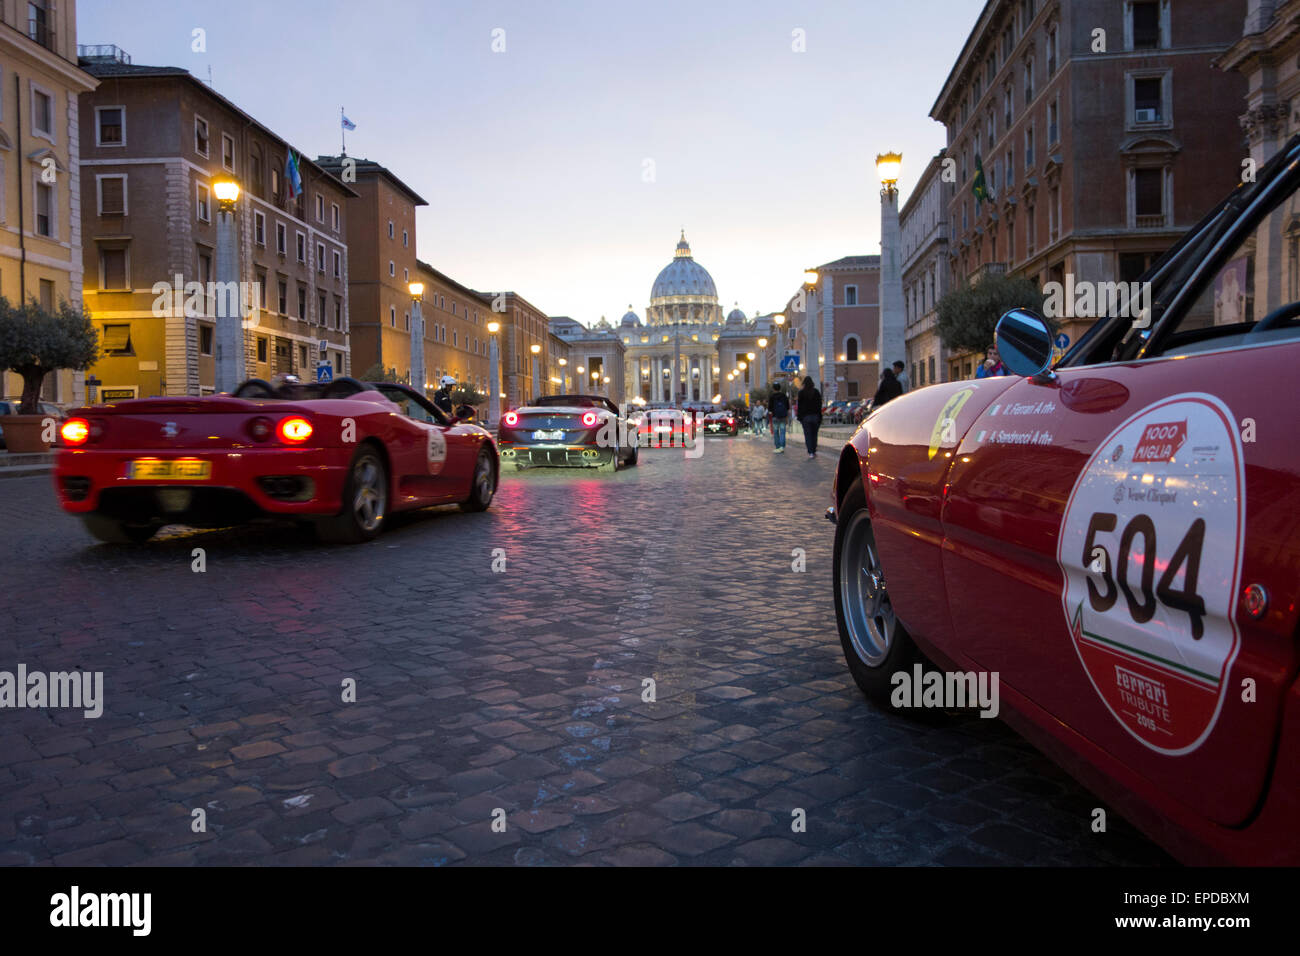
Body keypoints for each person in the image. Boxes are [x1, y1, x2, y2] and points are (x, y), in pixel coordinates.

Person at [796, 377, 823, 458]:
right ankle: (814, 450)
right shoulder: (816, 392)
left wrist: (800, 417)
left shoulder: (801, 393)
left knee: (808, 435)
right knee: (814, 435)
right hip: (815, 416)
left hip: (805, 417)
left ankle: (810, 451)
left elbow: (799, 406)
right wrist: (819, 416)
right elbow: (819, 405)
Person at [768, 383, 791, 453]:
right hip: (783, 416)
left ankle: (777, 447)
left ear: (773, 389)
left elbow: (770, 408)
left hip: (775, 416)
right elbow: (788, 407)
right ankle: (782, 447)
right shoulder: (784, 396)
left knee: (776, 432)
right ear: (780, 388)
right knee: (783, 431)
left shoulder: (772, 397)